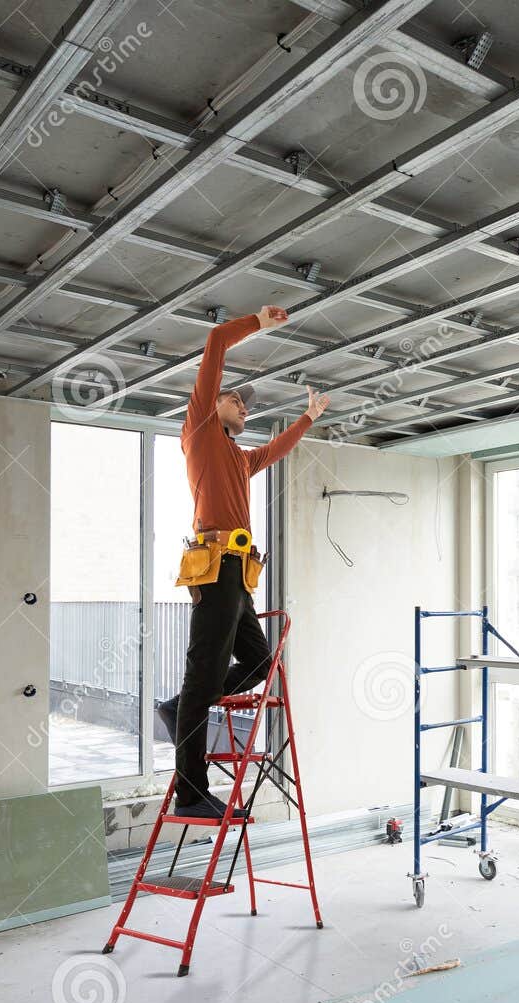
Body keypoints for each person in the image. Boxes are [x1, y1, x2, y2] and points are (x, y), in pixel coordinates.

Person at [157, 305, 329, 819]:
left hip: (238, 573)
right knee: (202, 679)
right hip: (214, 569)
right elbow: (215, 343)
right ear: (213, 406)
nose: (244, 407)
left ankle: (183, 704)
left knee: (258, 661)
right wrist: (257, 322)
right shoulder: (200, 432)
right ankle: (191, 791)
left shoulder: (239, 457)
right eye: (236, 399)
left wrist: (308, 418)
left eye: (246, 405)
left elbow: (274, 451)